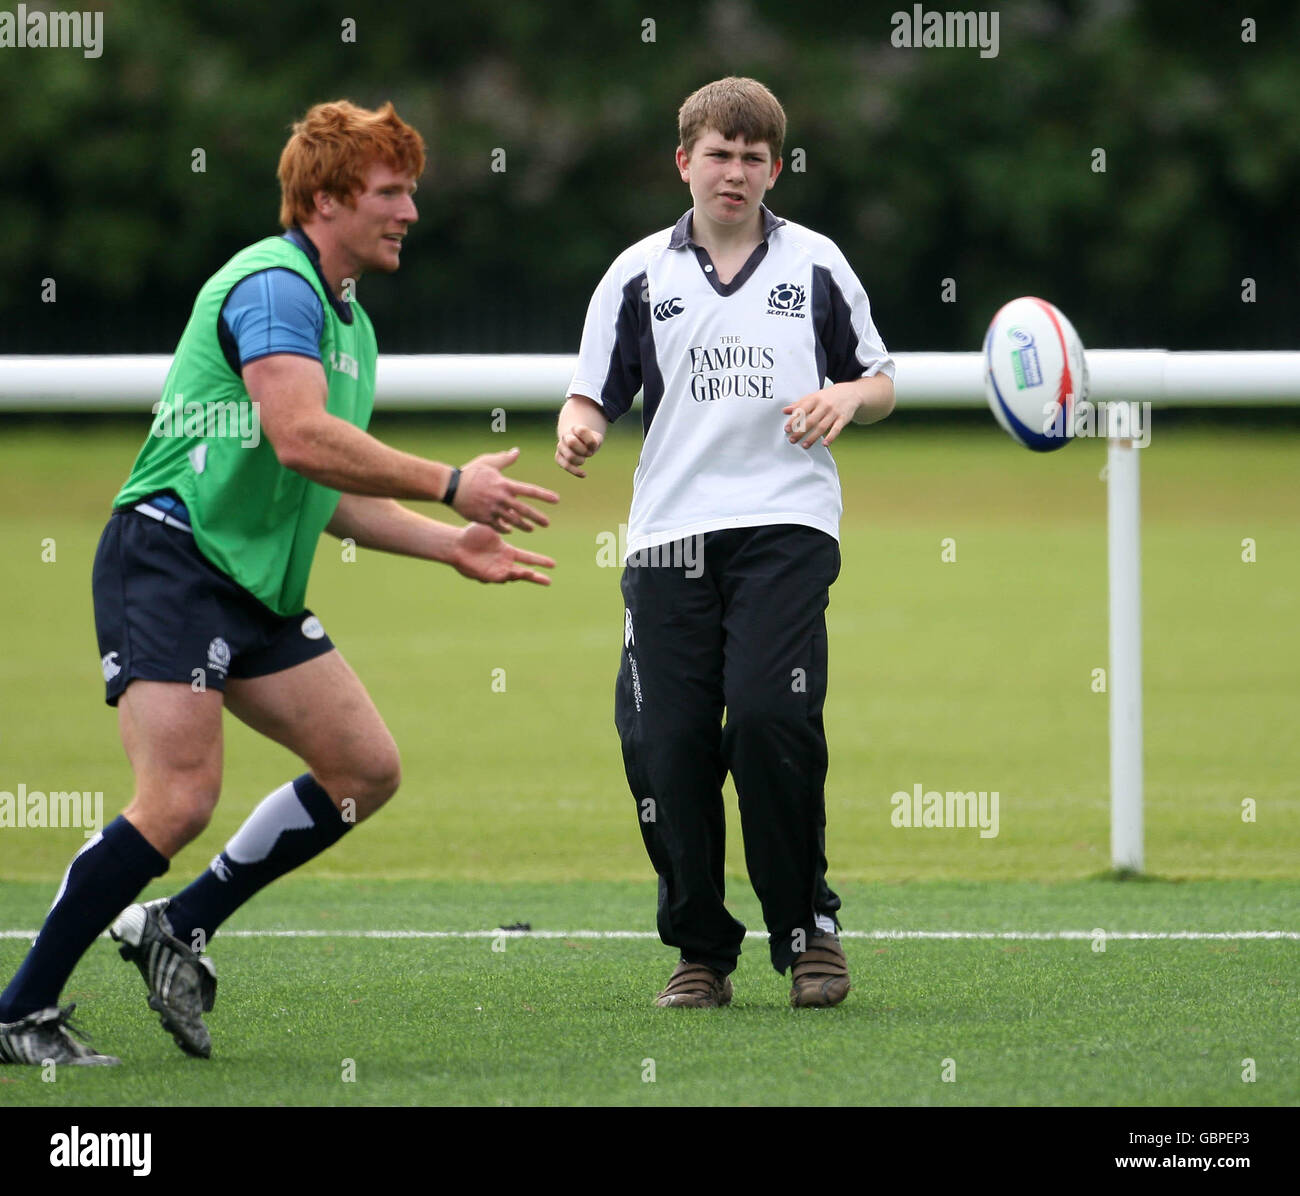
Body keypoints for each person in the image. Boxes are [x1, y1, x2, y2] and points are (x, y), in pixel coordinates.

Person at [0, 99, 558, 1066]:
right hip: (172, 560)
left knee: (362, 772)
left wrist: (447, 541)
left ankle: (178, 924)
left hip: (247, 583)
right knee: (177, 797)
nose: (410, 213)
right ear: (329, 199)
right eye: (391, 193)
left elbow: (316, 484)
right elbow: (304, 437)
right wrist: (451, 481)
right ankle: (19, 1011)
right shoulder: (274, 288)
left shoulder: (348, 323)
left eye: (410, 193)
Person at [556, 77, 895, 1008]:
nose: (735, 172)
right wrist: (578, 425)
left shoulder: (816, 263)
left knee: (767, 717)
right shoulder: (636, 274)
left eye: (753, 157)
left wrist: (843, 399)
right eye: (719, 154)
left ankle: (806, 928)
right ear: (685, 162)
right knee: (664, 741)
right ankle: (700, 947)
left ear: (774, 167)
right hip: (669, 536)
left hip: (786, 525)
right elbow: (592, 390)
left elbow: (880, 380)